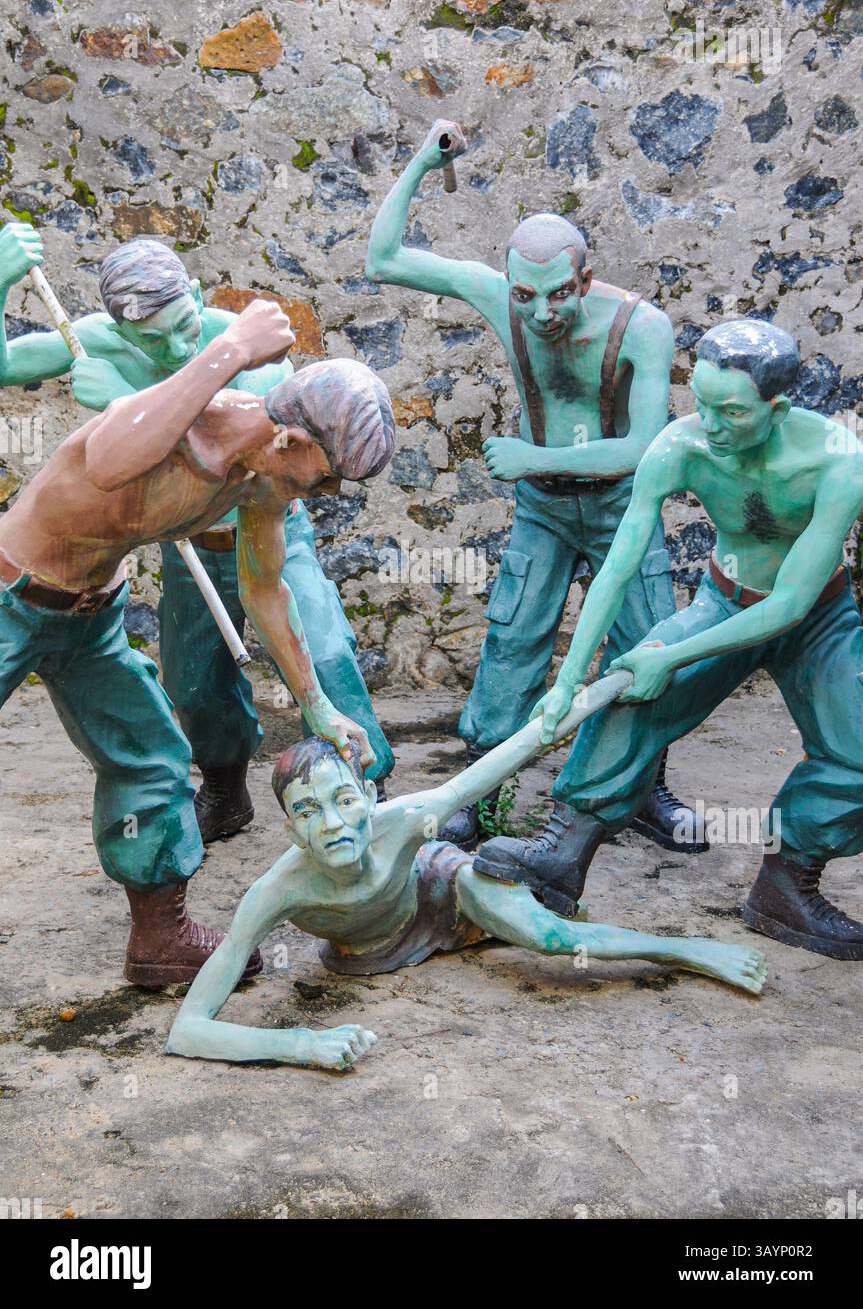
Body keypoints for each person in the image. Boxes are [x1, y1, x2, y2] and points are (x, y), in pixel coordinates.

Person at [0, 297, 395, 985]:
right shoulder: (183, 425)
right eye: (328, 475)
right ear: (293, 440)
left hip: (91, 619)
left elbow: (265, 588)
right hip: (12, 597)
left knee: (151, 759)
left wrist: (318, 708)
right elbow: (114, 456)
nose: (327, 492)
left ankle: (161, 940)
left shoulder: (263, 481)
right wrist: (233, 348)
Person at [475, 319, 863, 961]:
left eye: (731, 411)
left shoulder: (838, 463)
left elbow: (791, 603)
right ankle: (560, 855)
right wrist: (571, 679)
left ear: (779, 408)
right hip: (724, 598)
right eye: (702, 403)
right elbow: (619, 563)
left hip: (817, 615)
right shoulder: (679, 448)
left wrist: (673, 656)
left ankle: (787, 883)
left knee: (857, 754)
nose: (711, 424)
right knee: (632, 690)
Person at [366, 119, 698, 853]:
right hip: (544, 515)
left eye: (557, 296)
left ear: (585, 279)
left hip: (622, 511)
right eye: (525, 296)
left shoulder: (642, 328)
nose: (541, 314)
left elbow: (645, 449)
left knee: (645, 650)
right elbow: (382, 257)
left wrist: (528, 457)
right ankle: (481, 799)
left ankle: (642, 788)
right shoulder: (498, 299)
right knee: (512, 645)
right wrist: (423, 161)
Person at [165, 726, 767, 1072]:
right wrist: (301, 1045)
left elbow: (489, 768)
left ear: (368, 796)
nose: (331, 823)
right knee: (530, 920)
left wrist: (579, 698)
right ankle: (521, 895)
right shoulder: (277, 891)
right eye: (307, 811)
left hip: (444, 887)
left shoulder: (401, 821)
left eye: (343, 801)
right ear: (292, 831)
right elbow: (188, 1031)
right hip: (375, 946)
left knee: (551, 940)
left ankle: (687, 949)